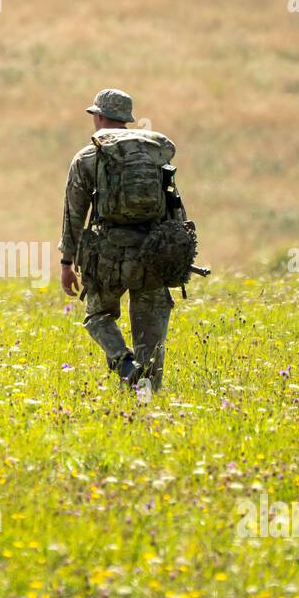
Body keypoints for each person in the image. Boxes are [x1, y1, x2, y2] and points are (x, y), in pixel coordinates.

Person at [59, 88, 189, 392]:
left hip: (108, 254)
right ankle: (147, 397)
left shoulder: (88, 156)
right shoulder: (154, 152)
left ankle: (124, 365)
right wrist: (179, 253)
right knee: (152, 335)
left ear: (100, 116)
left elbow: (73, 214)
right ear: (126, 118)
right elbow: (175, 205)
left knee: (98, 316)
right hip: (155, 252)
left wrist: (67, 261)